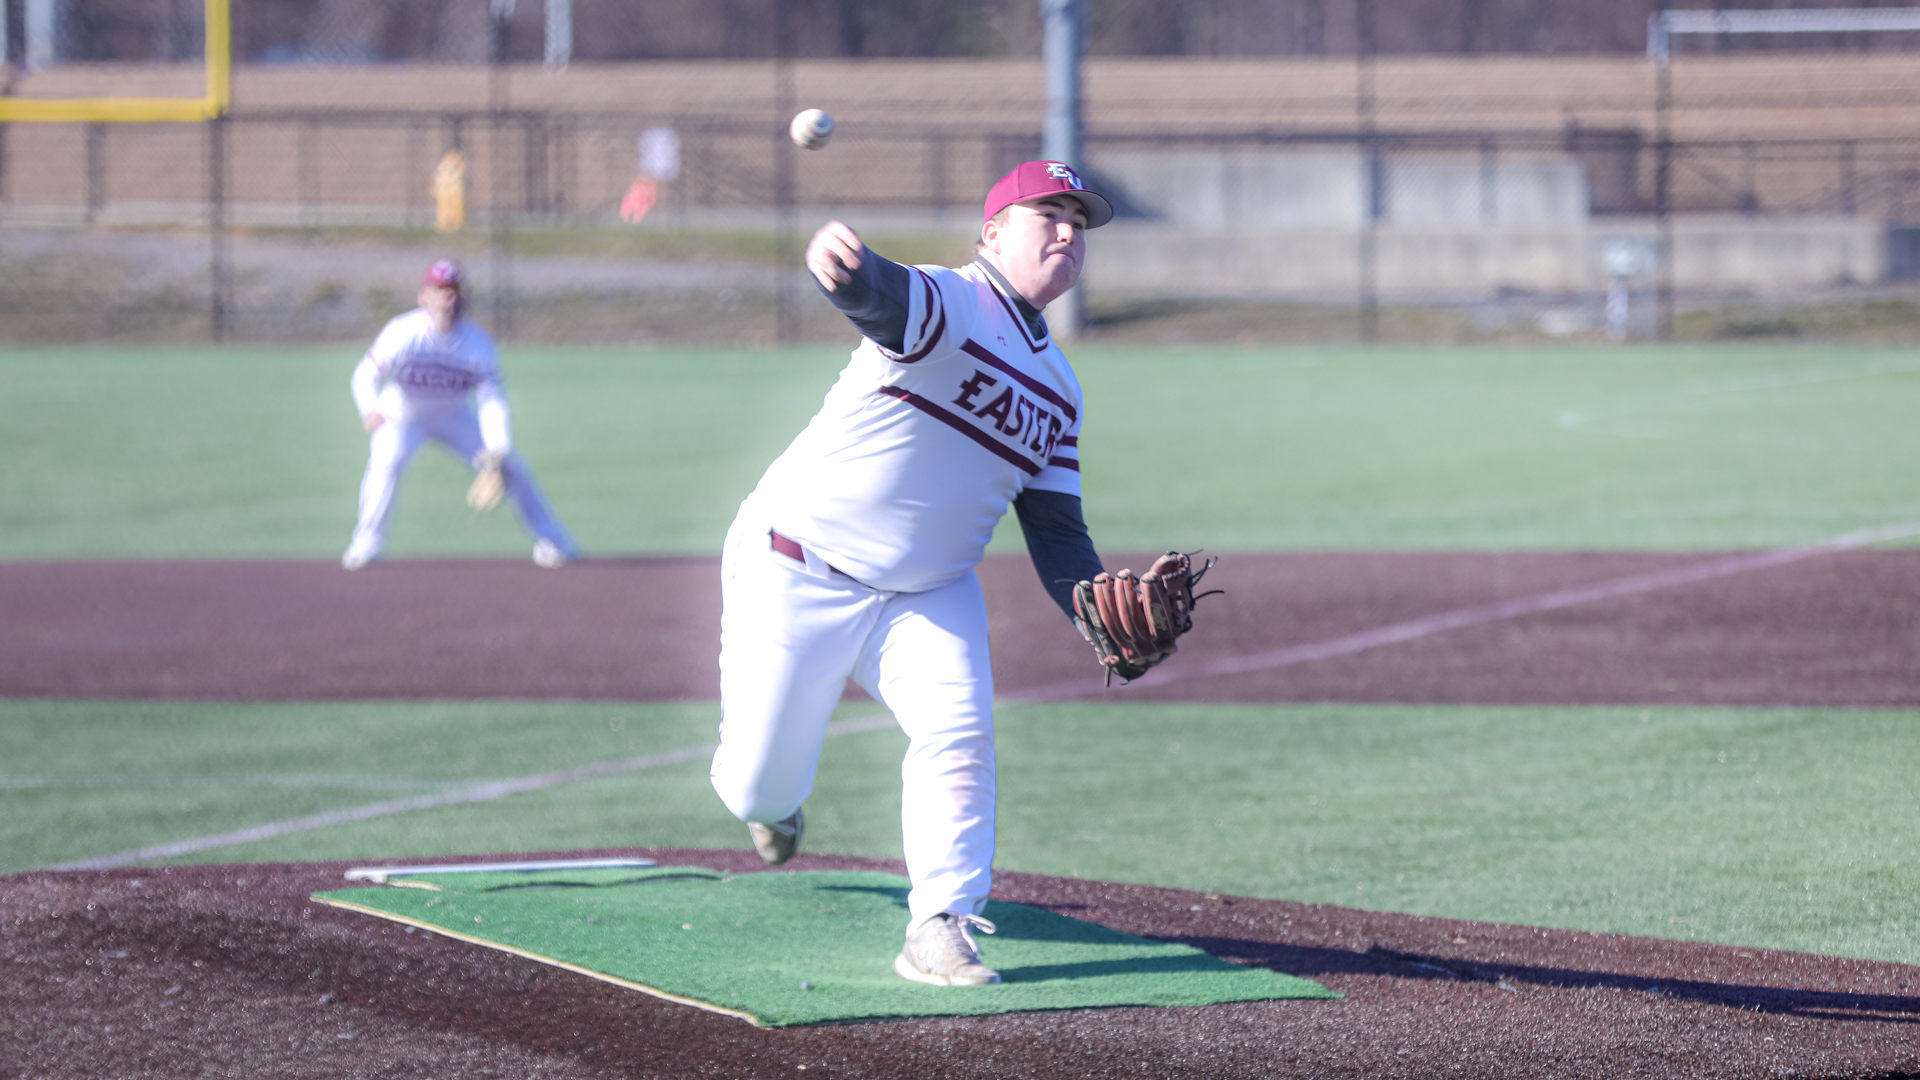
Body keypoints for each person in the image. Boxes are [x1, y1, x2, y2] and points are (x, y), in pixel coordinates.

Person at [708, 161, 1125, 987]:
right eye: (1050, 213)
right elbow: (884, 301)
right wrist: (850, 269)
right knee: (755, 786)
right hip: (798, 563)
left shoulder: (1061, 389)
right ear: (994, 231)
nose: (1069, 232)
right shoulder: (953, 298)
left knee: (960, 733)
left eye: (1080, 220)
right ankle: (774, 806)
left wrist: (1096, 611)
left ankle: (941, 922)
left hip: (929, 592)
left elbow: (1056, 532)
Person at [342, 259, 579, 570]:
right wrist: (369, 408)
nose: (447, 298)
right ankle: (366, 544)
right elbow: (364, 374)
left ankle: (554, 542)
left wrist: (497, 448)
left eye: (453, 290)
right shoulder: (402, 332)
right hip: (403, 415)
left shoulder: (477, 344)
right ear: (422, 297)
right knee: (386, 465)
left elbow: (492, 400)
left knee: (512, 470)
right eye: (439, 290)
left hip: (454, 417)